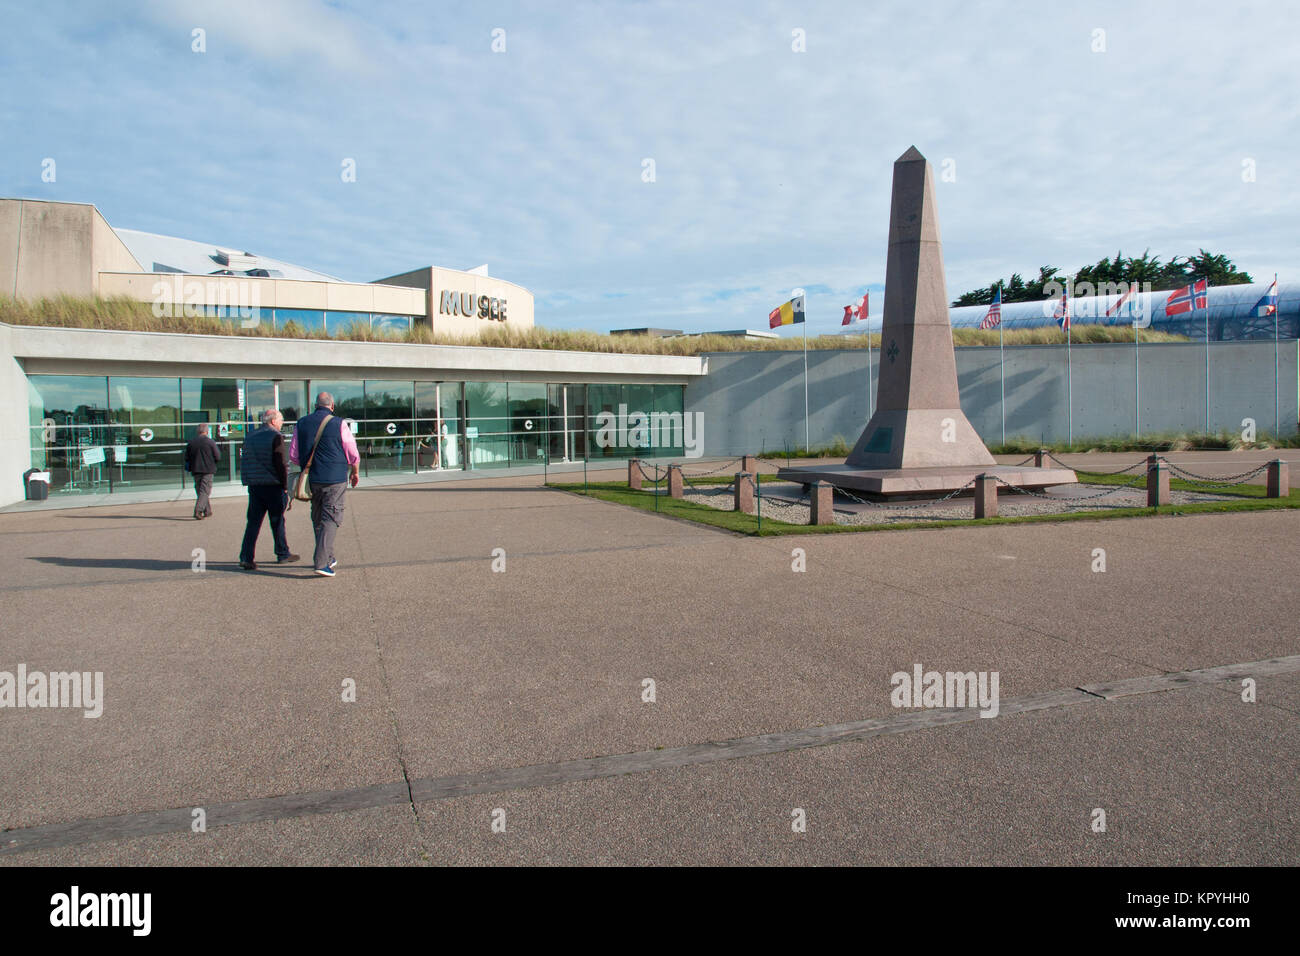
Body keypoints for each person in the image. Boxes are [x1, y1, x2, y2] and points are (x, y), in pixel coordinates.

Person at [290, 392, 360, 577]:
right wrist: (355, 471)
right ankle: (321, 562)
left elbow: (294, 455)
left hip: (313, 477)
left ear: (315, 405)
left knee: (318, 516)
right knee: (331, 517)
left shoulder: (301, 423)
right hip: (335, 478)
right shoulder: (339, 423)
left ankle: (328, 556)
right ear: (332, 405)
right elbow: (351, 449)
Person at [238, 409, 300, 571]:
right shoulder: (275, 436)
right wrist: (286, 486)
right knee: (277, 520)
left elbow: (244, 460)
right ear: (273, 421)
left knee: (253, 522)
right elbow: (280, 463)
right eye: (281, 420)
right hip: (273, 486)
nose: (282, 423)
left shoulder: (250, 436)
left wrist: (248, 480)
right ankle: (282, 553)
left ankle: (246, 557)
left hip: (255, 486)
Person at [184, 423, 221, 519]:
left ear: (198, 431)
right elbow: (218, 456)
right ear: (207, 431)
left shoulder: (191, 443)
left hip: (196, 470)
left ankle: (207, 511)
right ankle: (198, 510)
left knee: (201, 490)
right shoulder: (210, 442)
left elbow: (187, 457)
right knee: (204, 491)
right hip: (208, 470)